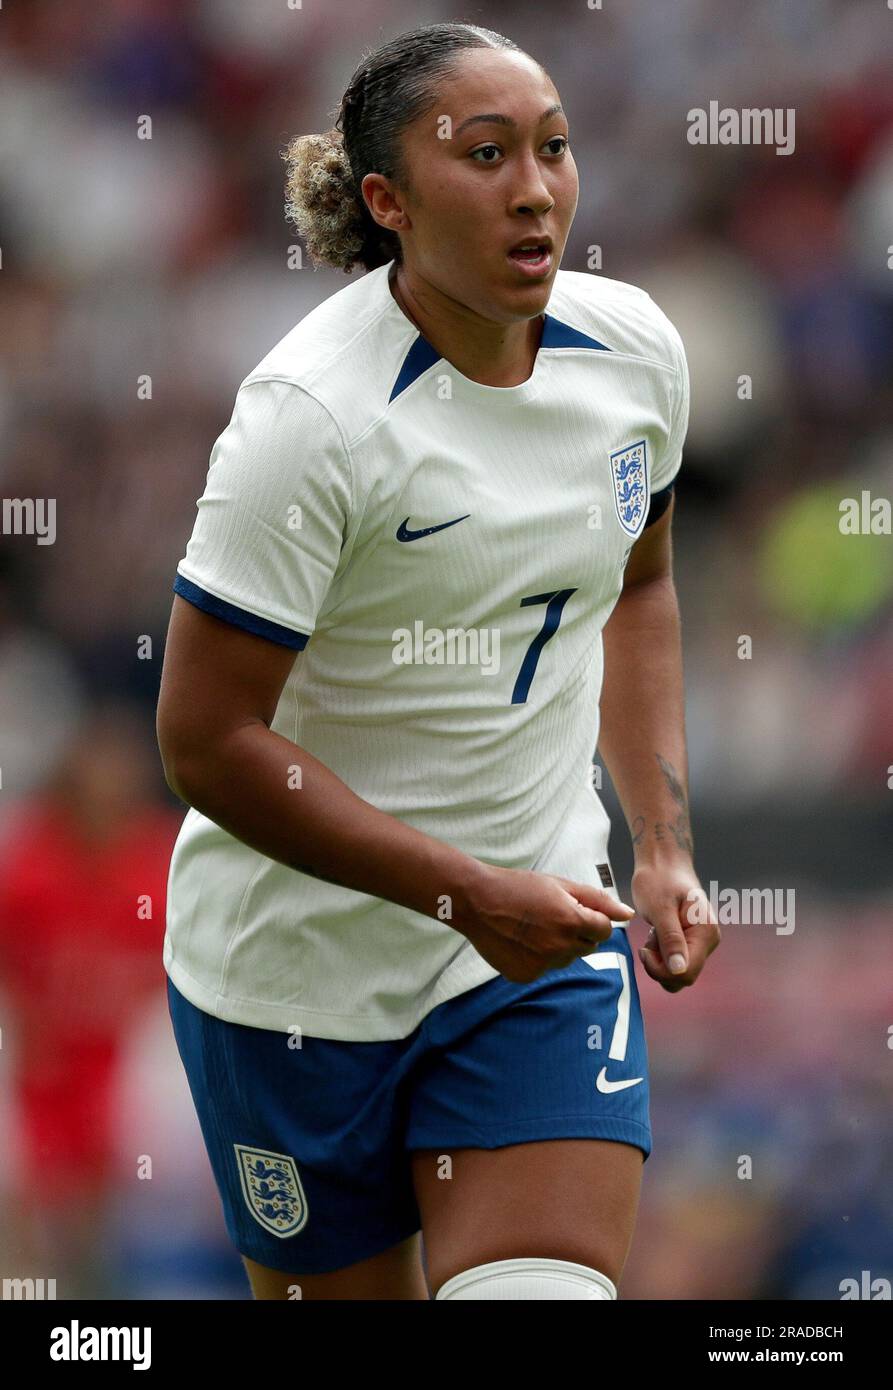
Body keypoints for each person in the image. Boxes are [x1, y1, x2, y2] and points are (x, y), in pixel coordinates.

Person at [156, 21, 720, 1302]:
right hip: (291, 981)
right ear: (385, 202)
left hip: (531, 949)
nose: (535, 187)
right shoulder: (310, 418)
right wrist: (461, 890)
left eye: (554, 148)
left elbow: (640, 586)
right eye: (485, 154)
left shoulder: (633, 352)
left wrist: (662, 839)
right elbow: (205, 743)